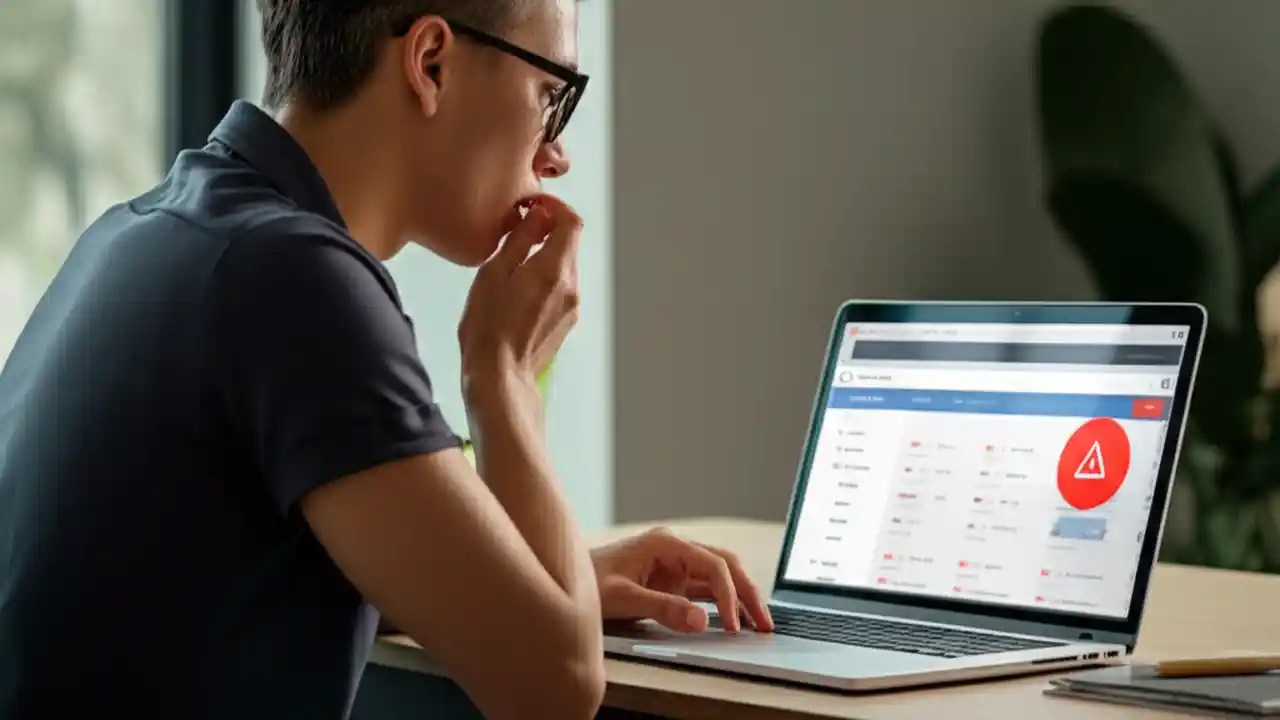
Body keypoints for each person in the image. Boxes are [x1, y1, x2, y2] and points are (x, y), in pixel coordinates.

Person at [0, 0, 774, 718]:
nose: (558, 154)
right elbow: (556, 688)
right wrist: (503, 377)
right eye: (551, 94)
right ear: (431, 62)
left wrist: (566, 581)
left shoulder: (143, 234)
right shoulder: (295, 280)